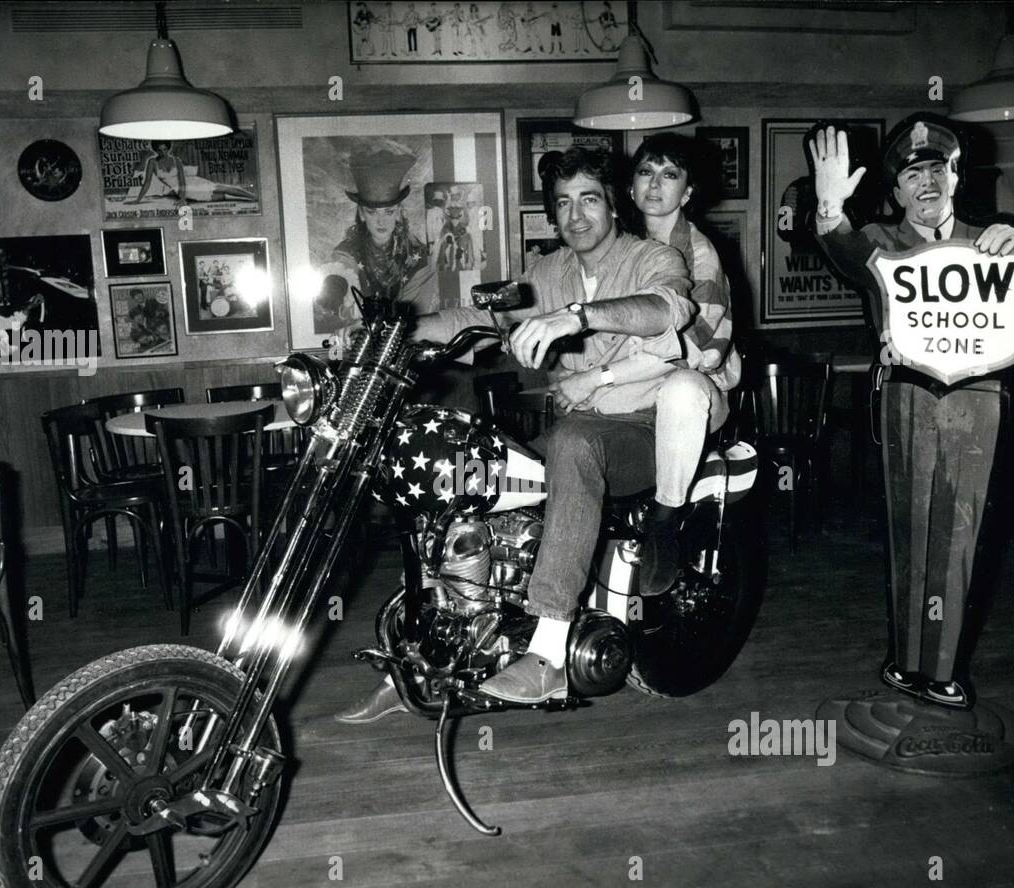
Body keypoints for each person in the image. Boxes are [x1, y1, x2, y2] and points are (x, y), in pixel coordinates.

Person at [334, 146, 700, 720]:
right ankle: (428, 652)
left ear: (612, 206)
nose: (576, 216)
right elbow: (476, 321)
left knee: (574, 443)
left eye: (589, 200)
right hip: (575, 429)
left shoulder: (652, 256)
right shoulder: (546, 273)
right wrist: (389, 337)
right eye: (563, 204)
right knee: (468, 475)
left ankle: (549, 653)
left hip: (645, 430)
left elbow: (664, 309)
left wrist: (577, 315)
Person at [810, 113, 1014, 709]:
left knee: (959, 532)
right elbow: (843, 248)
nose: (925, 183)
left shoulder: (993, 239)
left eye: (935, 169)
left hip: (978, 399)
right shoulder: (883, 243)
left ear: (954, 175)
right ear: (894, 191)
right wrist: (828, 208)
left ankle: (943, 669)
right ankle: (906, 661)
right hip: (905, 395)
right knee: (906, 532)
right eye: (910, 174)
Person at [626, 133, 742, 594]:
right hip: (633, 384)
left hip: (699, 388)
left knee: (682, 389)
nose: (655, 185)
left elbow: (694, 348)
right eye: (645, 172)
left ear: (688, 193)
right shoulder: (622, 246)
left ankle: (664, 519)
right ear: (631, 186)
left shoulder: (699, 253)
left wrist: (607, 375)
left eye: (669, 174)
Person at [314, 146, 438, 331]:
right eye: (372, 212)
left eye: (388, 212)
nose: (381, 221)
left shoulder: (418, 256)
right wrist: (335, 284)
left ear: (398, 213)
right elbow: (343, 265)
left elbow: (416, 315)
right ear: (362, 215)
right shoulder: (350, 248)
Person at [129, 141, 256, 206]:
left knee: (222, 187)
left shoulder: (176, 160)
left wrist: (183, 198)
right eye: (159, 150)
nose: (163, 152)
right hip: (179, 189)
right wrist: (138, 200)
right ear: (155, 150)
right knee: (218, 197)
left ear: (168, 148)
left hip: (190, 182)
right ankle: (248, 198)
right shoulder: (152, 162)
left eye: (165, 149)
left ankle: (254, 197)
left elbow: (182, 179)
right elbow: (147, 183)